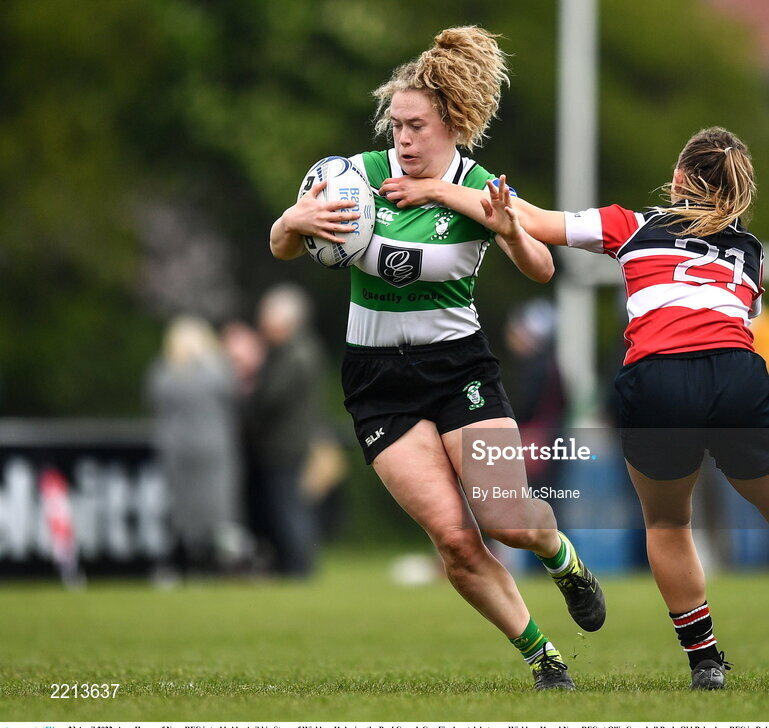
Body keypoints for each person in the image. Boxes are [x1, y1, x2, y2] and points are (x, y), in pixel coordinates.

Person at [380, 126, 769, 689]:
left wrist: (435, 189)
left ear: (678, 179)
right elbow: (737, 319)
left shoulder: (634, 223)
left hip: (657, 376)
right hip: (734, 372)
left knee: (669, 522)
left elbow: (533, 220)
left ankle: (705, 661)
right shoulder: (751, 252)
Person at [268, 27, 604, 691]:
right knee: (454, 541)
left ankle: (563, 559)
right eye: (396, 126)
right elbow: (280, 242)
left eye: (416, 126)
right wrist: (295, 222)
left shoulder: (477, 188)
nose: (404, 140)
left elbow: (540, 268)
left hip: (458, 373)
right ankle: (544, 659)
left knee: (508, 521)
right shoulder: (353, 179)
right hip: (377, 382)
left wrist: (505, 225)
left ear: (451, 123)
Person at [146, 316, 246, 572]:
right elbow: (235, 403)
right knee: (218, 506)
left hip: (176, 447)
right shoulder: (217, 371)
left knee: (181, 507)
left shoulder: (164, 372)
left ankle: (181, 560)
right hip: (214, 447)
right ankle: (222, 562)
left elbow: (155, 405)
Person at [246, 284, 327, 578]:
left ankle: (299, 569)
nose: (262, 322)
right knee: (289, 508)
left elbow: (270, 399)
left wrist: (252, 373)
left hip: (286, 446)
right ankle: (297, 567)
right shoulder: (297, 350)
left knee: (289, 510)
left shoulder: (295, 355)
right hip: (289, 444)